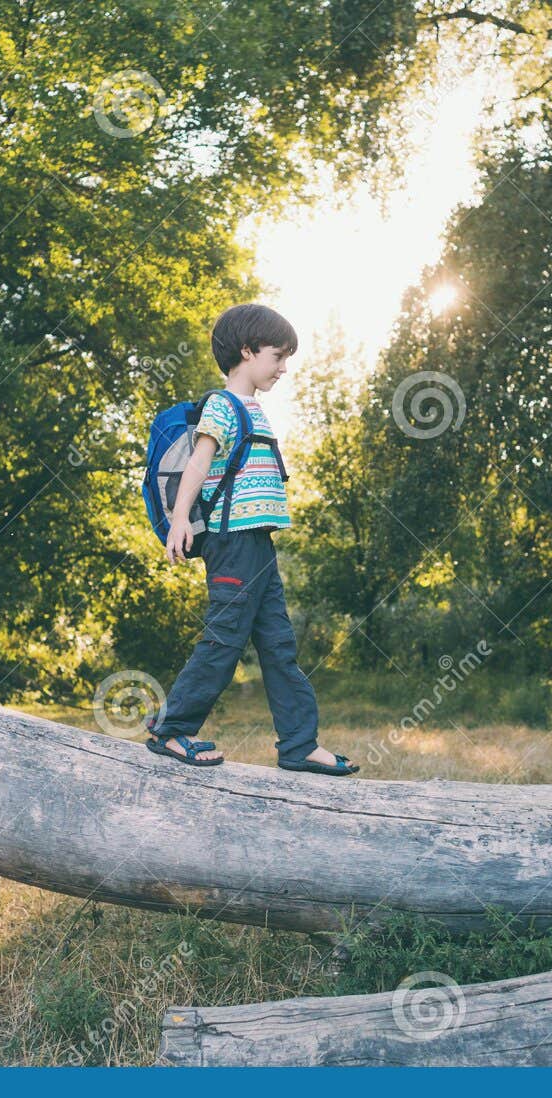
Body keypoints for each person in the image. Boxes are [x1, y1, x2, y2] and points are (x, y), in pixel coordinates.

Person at [145, 303, 359, 776]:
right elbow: (199, 464)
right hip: (231, 543)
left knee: (279, 646)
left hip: (258, 543)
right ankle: (171, 730)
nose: (284, 368)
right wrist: (181, 519)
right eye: (278, 356)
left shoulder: (254, 408)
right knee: (224, 640)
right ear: (247, 351)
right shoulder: (223, 406)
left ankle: (299, 745)